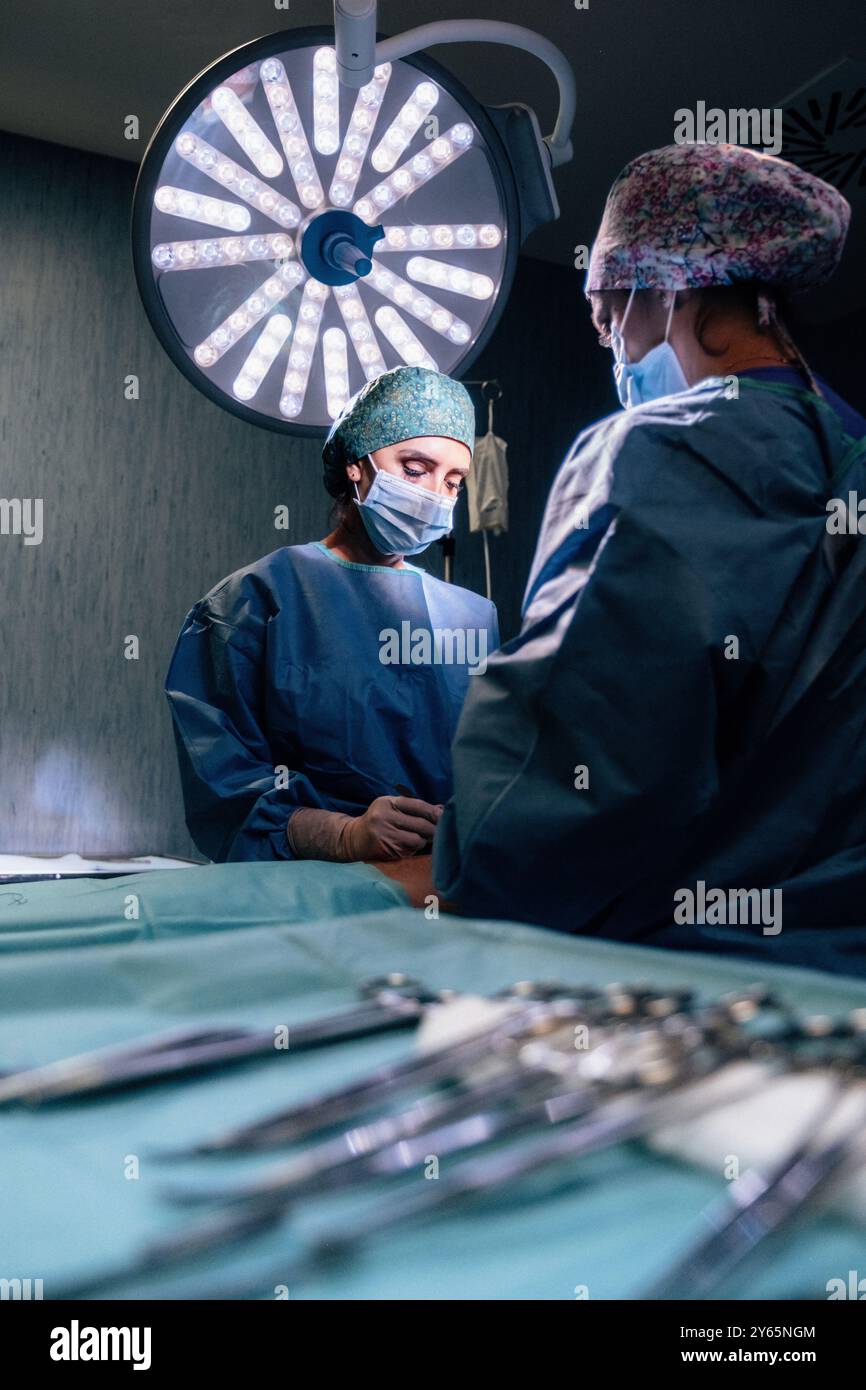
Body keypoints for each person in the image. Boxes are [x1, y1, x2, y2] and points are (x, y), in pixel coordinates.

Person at [433, 141, 866, 973]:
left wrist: (467, 883)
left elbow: (567, 783)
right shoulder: (847, 453)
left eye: (607, 319)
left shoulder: (660, 452)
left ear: (666, 286)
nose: (614, 353)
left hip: (688, 986)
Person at [166, 366, 498, 863]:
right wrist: (340, 834)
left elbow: (496, 772)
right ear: (355, 463)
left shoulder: (473, 619)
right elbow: (221, 780)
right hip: (302, 893)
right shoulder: (255, 601)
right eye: (414, 468)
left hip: (439, 894)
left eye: (453, 481)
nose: (434, 495)